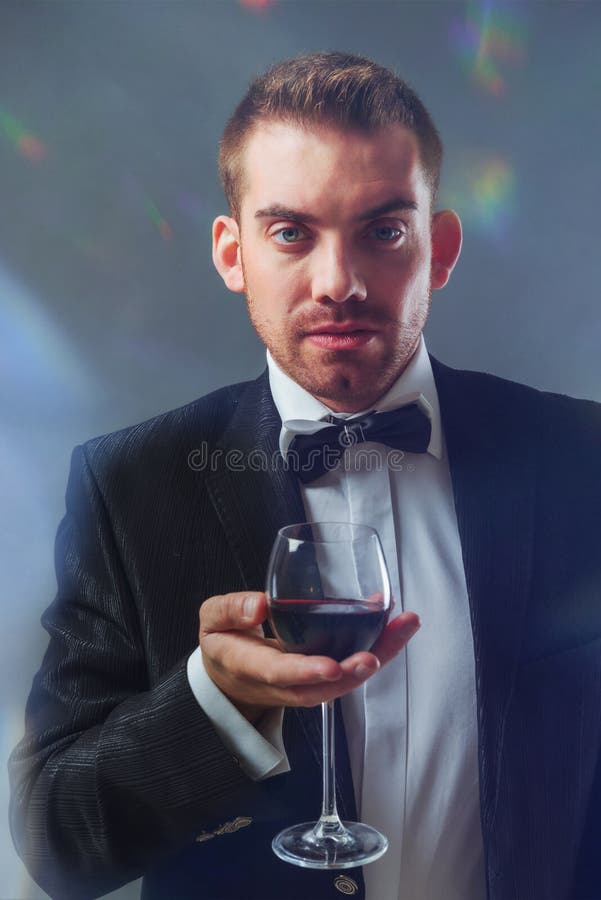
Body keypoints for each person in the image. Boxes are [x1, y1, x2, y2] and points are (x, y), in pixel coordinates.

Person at [8, 52, 601, 900]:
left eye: (382, 231)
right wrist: (213, 699)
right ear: (231, 252)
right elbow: (56, 845)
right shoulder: (129, 483)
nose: (339, 283)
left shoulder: (581, 455)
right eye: (291, 233)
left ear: (438, 249)